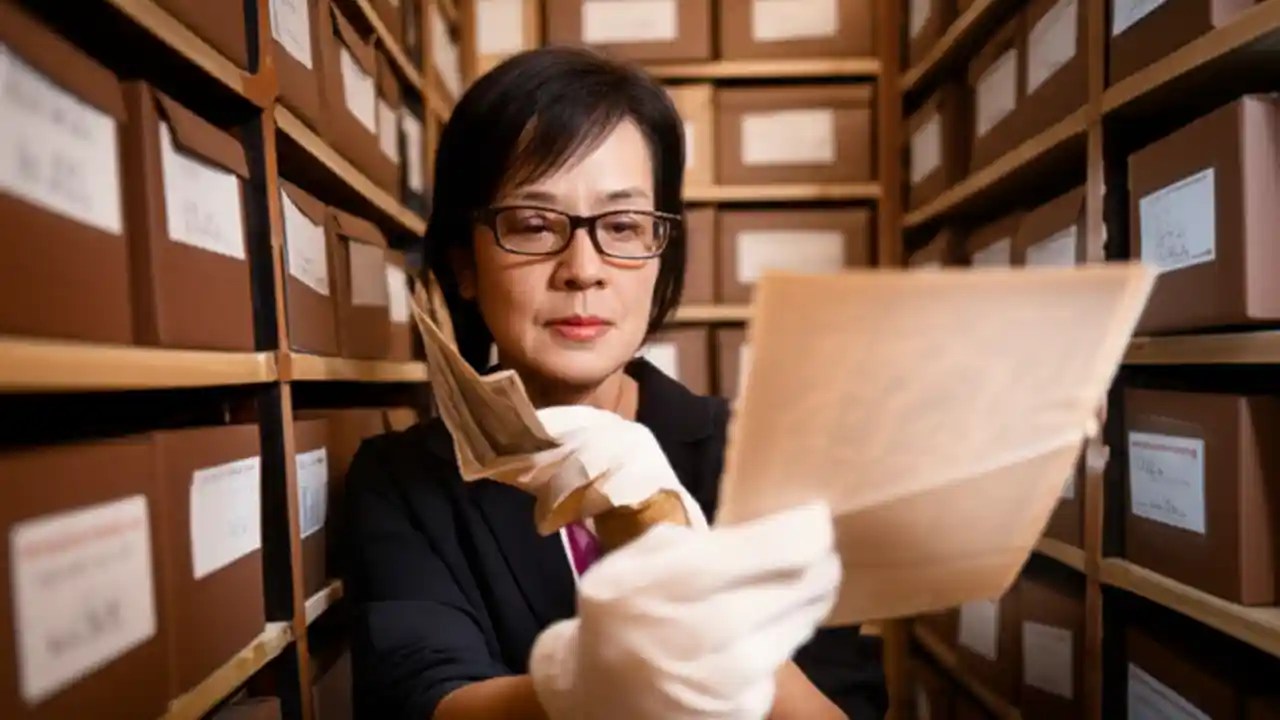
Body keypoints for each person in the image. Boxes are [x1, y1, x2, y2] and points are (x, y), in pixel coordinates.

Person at [341, 46, 889, 719]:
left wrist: (690, 580)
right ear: (464, 265)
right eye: (533, 225)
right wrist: (583, 686)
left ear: (661, 255)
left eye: (624, 226)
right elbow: (426, 699)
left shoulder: (766, 460)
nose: (583, 268)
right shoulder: (403, 480)